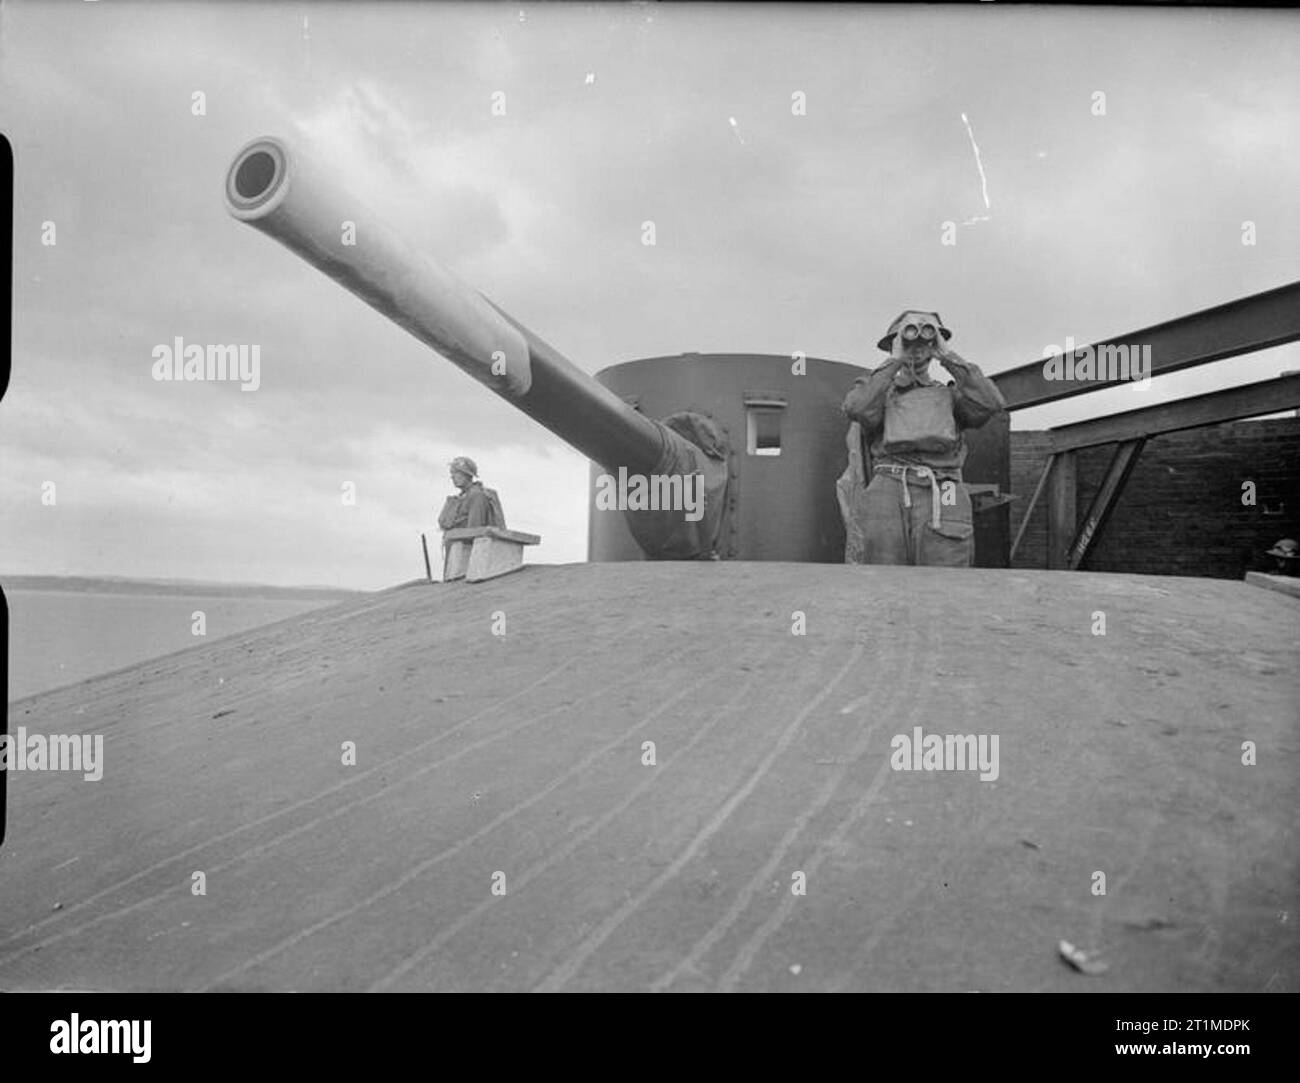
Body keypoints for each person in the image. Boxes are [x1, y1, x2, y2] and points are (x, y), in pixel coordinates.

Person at [841, 310, 1006, 567]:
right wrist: (894, 361)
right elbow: (856, 407)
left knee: (944, 575)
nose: (916, 349)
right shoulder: (878, 392)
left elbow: (992, 403)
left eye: (926, 341)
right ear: (892, 345)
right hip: (889, 484)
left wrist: (948, 356)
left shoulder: (951, 396)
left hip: (944, 488)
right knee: (880, 577)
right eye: (907, 341)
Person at [437, 456, 505, 534]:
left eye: (456, 473)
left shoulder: (476, 495)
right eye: (452, 473)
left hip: (468, 545)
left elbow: (474, 530)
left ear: (467, 474)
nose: (452, 477)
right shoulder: (461, 498)